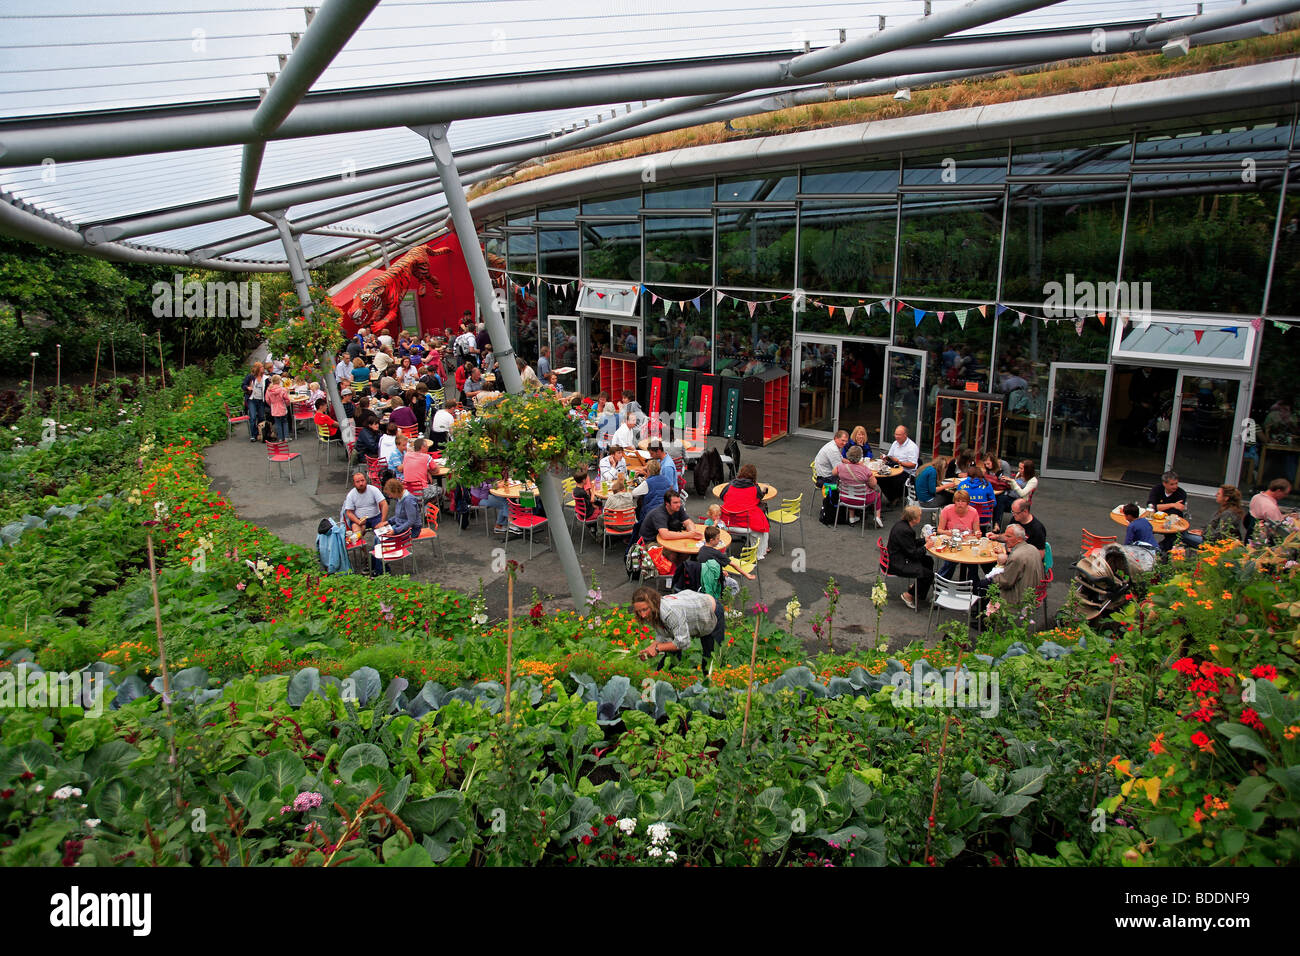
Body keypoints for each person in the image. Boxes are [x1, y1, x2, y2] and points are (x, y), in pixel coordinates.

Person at [632, 586, 727, 671]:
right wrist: (651, 648)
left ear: (653, 604)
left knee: (710, 659)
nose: (643, 615)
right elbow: (663, 634)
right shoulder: (651, 612)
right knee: (670, 659)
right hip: (691, 608)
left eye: (645, 609)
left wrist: (657, 648)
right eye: (639, 611)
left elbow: (683, 642)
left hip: (709, 611)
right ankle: (666, 678)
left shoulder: (671, 613)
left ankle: (712, 682)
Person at [974, 523, 1043, 609]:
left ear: (1019, 539)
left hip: (1019, 595)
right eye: (1005, 536)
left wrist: (990, 579)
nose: (1006, 539)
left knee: (980, 585)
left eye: (1009, 536)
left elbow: (1006, 581)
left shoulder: (1016, 556)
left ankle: (983, 614)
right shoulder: (1032, 548)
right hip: (1033, 590)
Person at [718, 463, 772, 557]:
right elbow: (759, 498)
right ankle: (761, 550)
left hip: (727, 523)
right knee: (762, 518)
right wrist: (763, 491)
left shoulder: (730, 486)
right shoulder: (755, 488)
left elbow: (722, 496)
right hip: (746, 524)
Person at [888, 505, 934, 609]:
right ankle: (909, 595)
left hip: (898, 557)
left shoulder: (901, 525)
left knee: (928, 561)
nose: (920, 517)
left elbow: (910, 544)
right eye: (919, 516)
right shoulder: (907, 530)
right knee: (929, 575)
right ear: (914, 519)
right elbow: (913, 554)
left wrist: (924, 540)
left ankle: (918, 590)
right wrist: (926, 547)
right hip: (899, 563)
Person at [638, 489, 701, 554]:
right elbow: (665, 535)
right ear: (667, 503)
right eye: (675, 502)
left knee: (685, 549)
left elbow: (688, 522)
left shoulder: (678, 508)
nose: (679, 505)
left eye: (679, 502)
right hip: (650, 541)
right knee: (673, 553)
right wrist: (689, 535)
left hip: (663, 537)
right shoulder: (659, 514)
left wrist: (693, 532)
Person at [833, 445, 882, 527]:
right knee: (878, 493)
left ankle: (851, 517)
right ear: (860, 457)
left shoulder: (840, 467)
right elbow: (873, 484)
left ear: (848, 455)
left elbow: (833, 473)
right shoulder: (864, 469)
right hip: (862, 499)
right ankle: (877, 517)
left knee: (851, 489)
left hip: (845, 497)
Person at [814, 429, 850, 524]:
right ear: (836, 438)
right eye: (842, 440)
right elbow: (839, 470)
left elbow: (841, 459)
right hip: (825, 478)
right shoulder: (833, 450)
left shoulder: (834, 445)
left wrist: (852, 463)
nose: (844, 443)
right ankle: (850, 512)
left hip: (824, 474)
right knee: (849, 483)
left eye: (846, 441)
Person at [1146, 470, 1188, 552]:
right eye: (1172, 484)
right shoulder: (1156, 489)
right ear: (1164, 483)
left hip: (1172, 520)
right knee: (1144, 528)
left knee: (1174, 535)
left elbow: (1175, 511)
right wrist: (1172, 504)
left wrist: (1161, 507)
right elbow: (1151, 506)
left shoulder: (1181, 493)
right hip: (1154, 519)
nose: (1175, 486)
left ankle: (1161, 550)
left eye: (1176, 483)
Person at [993, 460, 1037, 528]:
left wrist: (1013, 482)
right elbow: (1014, 487)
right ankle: (996, 524)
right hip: (1011, 497)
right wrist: (1008, 481)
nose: (1019, 470)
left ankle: (997, 524)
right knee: (997, 499)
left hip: (1021, 502)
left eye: (1021, 468)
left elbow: (1022, 493)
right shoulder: (1019, 474)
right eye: (1019, 468)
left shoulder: (1033, 481)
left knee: (1000, 501)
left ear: (1028, 470)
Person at [343, 471, 388, 538]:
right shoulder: (351, 494)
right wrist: (358, 522)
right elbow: (349, 512)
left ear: (366, 480)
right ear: (354, 483)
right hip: (359, 519)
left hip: (375, 518)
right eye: (358, 482)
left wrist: (382, 521)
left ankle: (379, 544)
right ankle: (361, 545)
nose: (361, 483)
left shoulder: (373, 489)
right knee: (356, 535)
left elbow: (384, 504)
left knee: (384, 533)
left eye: (362, 480)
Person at [264, 374, 291, 442]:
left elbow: (267, 399)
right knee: (285, 422)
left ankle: (280, 438)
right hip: (282, 406)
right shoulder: (282, 389)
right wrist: (287, 404)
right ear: (279, 381)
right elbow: (287, 399)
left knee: (278, 423)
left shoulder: (269, 390)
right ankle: (286, 437)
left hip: (274, 408)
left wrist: (271, 404)